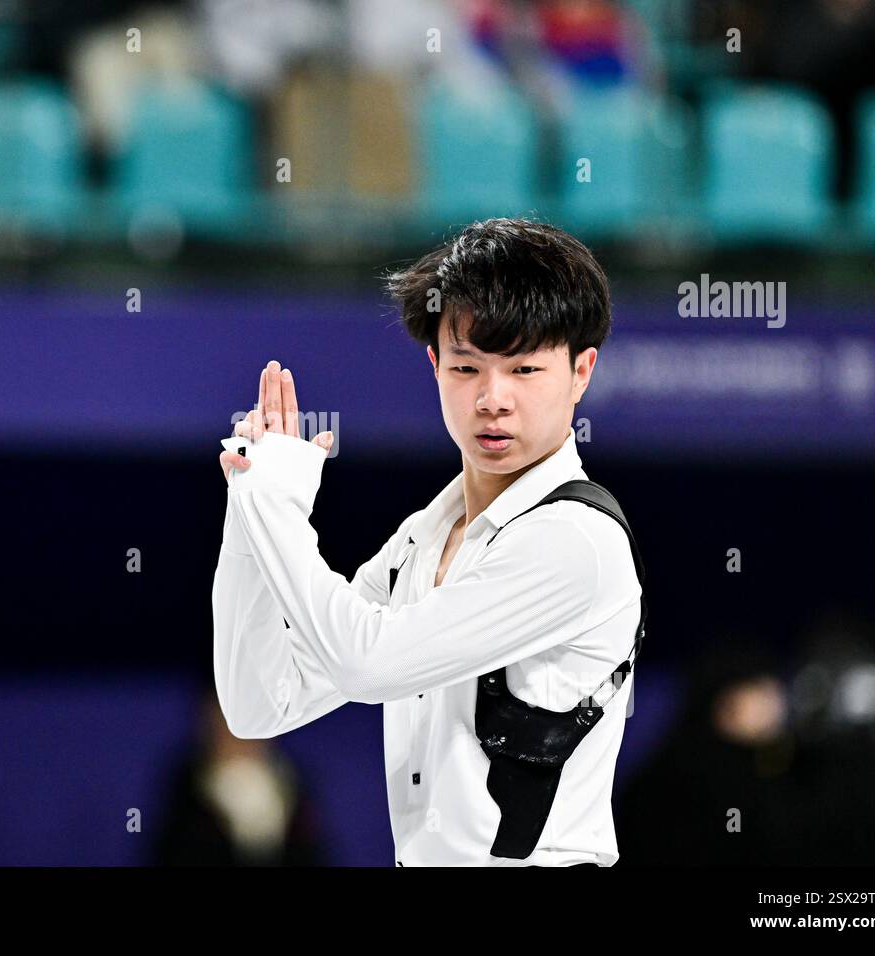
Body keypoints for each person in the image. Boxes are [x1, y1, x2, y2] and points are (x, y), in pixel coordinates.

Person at [212, 217, 642, 866]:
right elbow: (259, 705)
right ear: (435, 364)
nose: (493, 399)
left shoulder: (576, 539)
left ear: (581, 371)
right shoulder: (424, 536)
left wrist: (279, 510)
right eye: (467, 367)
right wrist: (249, 509)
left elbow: (368, 664)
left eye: (525, 369)